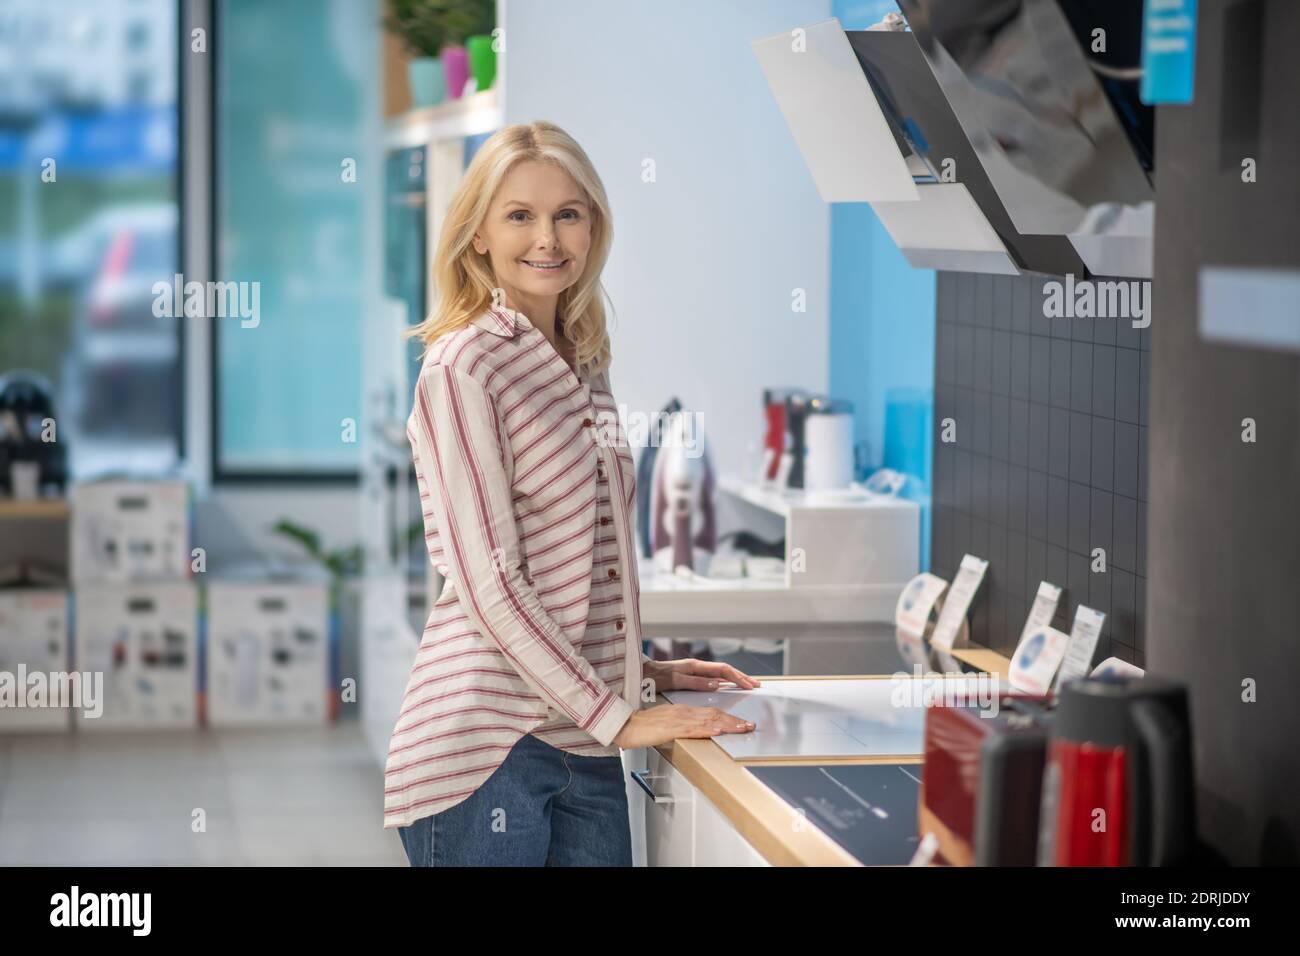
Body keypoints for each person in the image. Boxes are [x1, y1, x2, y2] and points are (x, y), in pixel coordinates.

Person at [383, 121, 760, 867]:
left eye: (568, 213)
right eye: (519, 214)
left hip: (583, 736)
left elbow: (578, 564)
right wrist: (618, 716)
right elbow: (490, 582)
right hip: (485, 749)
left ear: (594, 225)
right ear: (479, 234)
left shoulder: (582, 356)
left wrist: (640, 673)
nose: (547, 238)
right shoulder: (462, 368)